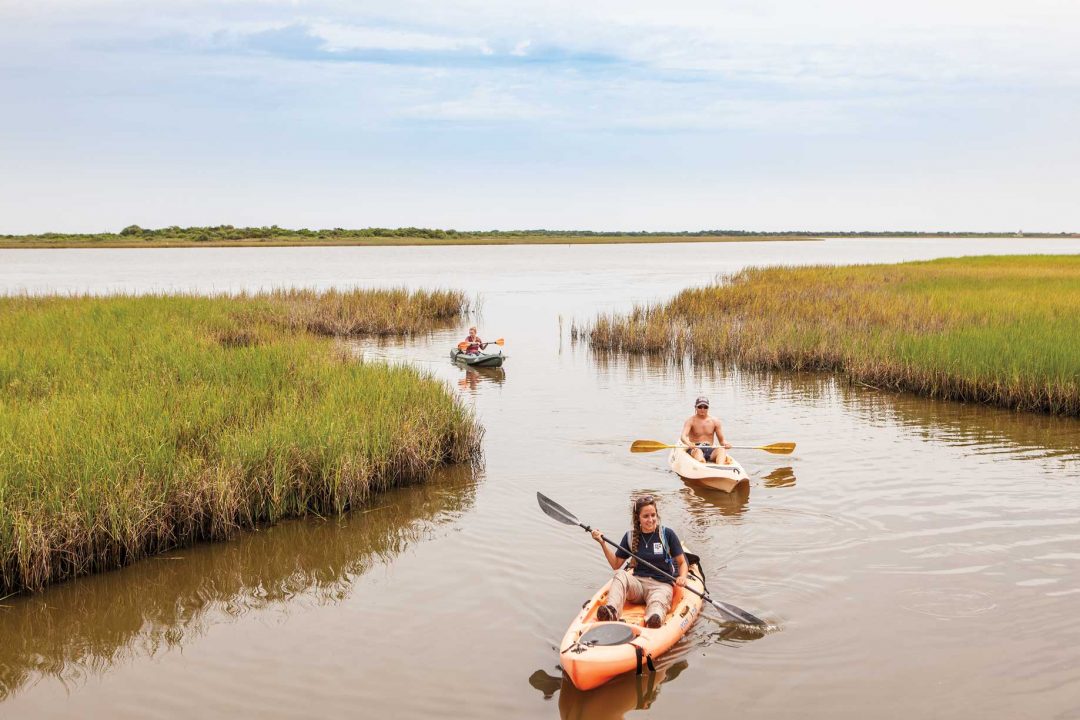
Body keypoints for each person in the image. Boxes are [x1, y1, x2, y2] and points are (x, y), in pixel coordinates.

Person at [589, 495, 688, 628]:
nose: (651, 519)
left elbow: (682, 563)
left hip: (661, 586)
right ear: (638, 518)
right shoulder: (630, 537)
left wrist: (682, 577)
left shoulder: (667, 534)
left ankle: (654, 618)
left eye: (653, 515)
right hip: (638, 586)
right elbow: (616, 564)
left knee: (657, 603)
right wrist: (602, 543)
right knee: (620, 575)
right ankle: (611, 611)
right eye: (645, 516)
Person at [680, 395, 730, 464]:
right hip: (695, 448)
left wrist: (726, 444)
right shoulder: (690, 421)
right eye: (700, 407)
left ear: (708, 408)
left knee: (722, 450)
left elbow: (722, 441)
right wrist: (688, 443)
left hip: (709, 449)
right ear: (695, 407)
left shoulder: (715, 421)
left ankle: (721, 467)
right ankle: (702, 464)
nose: (702, 409)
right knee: (698, 452)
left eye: (705, 407)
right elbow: (683, 436)